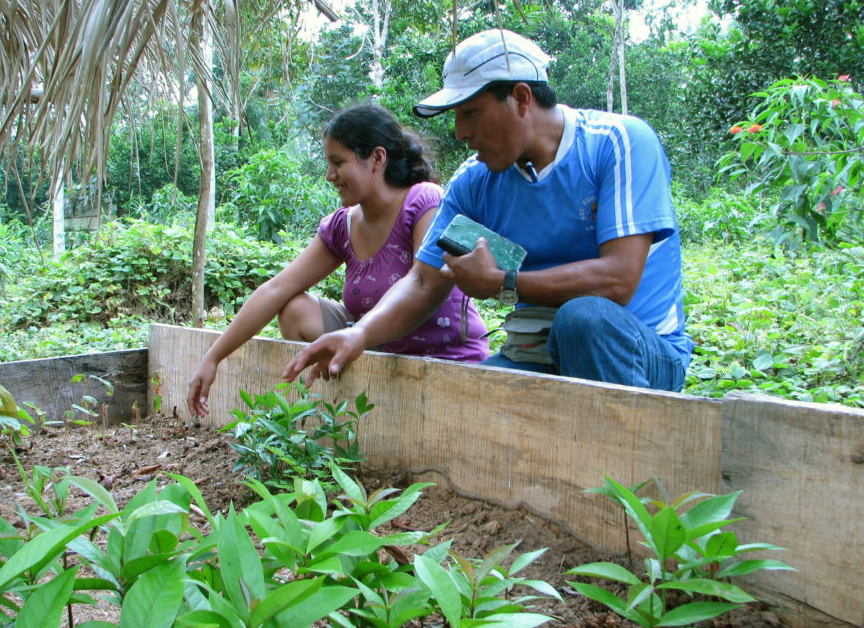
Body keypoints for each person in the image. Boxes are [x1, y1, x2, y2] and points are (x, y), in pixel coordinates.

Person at [282, 29, 693, 392]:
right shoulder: (475, 180)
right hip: (534, 354)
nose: (460, 132)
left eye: (470, 113)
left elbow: (618, 280)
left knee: (582, 320)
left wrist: (503, 281)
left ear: (520, 98)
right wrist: (360, 333)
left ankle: (623, 469)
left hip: (638, 353)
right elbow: (424, 283)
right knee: (468, 402)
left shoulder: (617, 143)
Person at [187, 103, 489, 417]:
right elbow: (276, 289)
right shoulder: (341, 226)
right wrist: (213, 357)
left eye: (338, 162)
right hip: (379, 358)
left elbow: (423, 284)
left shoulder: (424, 201)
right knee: (294, 310)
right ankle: (341, 405)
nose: (330, 175)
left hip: (448, 362)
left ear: (377, 158)